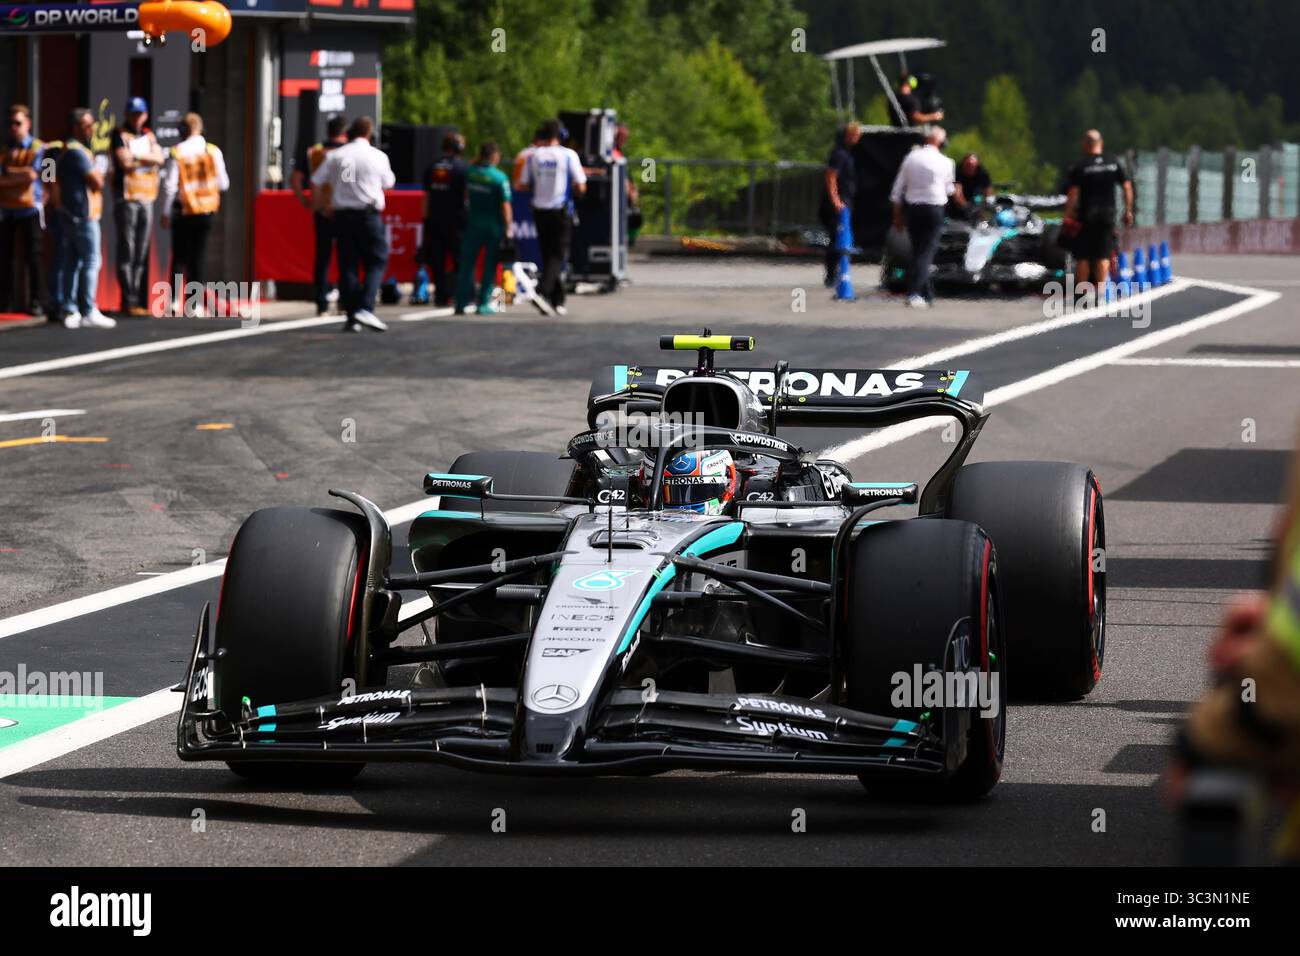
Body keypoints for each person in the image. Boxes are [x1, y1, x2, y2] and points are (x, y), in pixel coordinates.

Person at [311, 115, 394, 332]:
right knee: (377, 260)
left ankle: (351, 316)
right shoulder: (378, 156)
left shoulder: (336, 155)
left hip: (342, 215)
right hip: (367, 214)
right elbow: (389, 183)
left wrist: (321, 206)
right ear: (369, 134)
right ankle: (365, 307)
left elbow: (316, 181)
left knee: (348, 265)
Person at [159, 112, 229, 317]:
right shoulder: (213, 151)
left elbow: (170, 186)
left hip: (183, 209)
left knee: (179, 256)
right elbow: (224, 183)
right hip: (205, 209)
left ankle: (173, 301)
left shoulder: (177, 151)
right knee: (198, 256)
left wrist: (165, 211)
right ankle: (195, 304)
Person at [520, 119, 586, 315]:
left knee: (548, 255)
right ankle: (542, 291)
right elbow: (582, 185)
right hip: (560, 210)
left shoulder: (532, 156)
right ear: (561, 135)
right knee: (558, 256)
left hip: (540, 210)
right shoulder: (568, 155)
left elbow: (522, 185)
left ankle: (557, 299)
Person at [56, 107, 114, 329]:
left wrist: (54, 199)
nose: (92, 129)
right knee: (90, 260)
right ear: (76, 127)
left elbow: (46, 175)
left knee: (71, 261)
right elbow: (96, 183)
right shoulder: (77, 152)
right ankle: (87, 308)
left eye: (93, 125)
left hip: (67, 212)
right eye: (87, 125)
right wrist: (102, 171)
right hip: (81, 213)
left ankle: (69, 308)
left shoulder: (61, 149)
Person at [889, 126, 959, 309]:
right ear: (940, 142)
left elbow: (898, 189)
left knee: (918, 250)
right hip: (934, 207)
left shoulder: (911, 157)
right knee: (926, 252)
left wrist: (897, 215)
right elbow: (949, 190)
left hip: (913, 208)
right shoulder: (946, 162)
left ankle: (927, 293)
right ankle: (913, 293)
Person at [110, 97, 164, 317]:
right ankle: (128, 299)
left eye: (139, 113)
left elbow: (159, 158)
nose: (136, 117)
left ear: (145, 115)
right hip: (127, 197)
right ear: (126, 114)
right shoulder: (119, 134)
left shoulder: (149, 135)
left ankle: (137, 299)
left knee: (141, 251)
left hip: (147, 197)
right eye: (132, 113)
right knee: (127, 249)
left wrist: (138, 156)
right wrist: (146, 158)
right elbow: (124, 162)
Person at [290, 114, 348, 315]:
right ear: (344, 132)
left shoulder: (314, 152)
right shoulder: (347, 152)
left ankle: (321, 304)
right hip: (343, 209)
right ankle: (344, 302)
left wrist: (305, 201)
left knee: (322, 257)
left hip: (321, 209)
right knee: (345, 256)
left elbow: (295, 179)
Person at [1063, 129, 1134, 292]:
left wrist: (1067, 215)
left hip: (1086, 215)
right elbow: (1127, 186)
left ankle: (1083, 293)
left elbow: (1073, 193)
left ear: (1086, 145)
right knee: (1103, 254)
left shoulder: (1081, 166)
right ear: (1101, 143)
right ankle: (1101, 293)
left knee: (1084, 256)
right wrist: (1128, 210)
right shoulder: (1113, 162)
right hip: (1107, 215)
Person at [454, 141, 512, 316]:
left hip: (473, 224)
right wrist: (509, 228)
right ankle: (484, 303)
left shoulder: (470, 173)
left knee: (466, 265)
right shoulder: (499, 178)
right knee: (490, 266)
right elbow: (505, 206)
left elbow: (464, 197)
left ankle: (461, 302)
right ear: (494, 156)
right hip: (493, 226)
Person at [0, 104, 46, 316]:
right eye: (10, 124)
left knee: (34, 257)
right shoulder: (4, 149)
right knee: (5, 257)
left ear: (27, 123)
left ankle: (37, 301)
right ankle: (5, 301)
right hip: (8, 210)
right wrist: (21, 175)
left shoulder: (39, 148)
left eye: (17, 123)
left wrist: (11, 174)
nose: (13, 127)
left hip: (31, 209)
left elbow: (39, 176)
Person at [420, 131, 468, 307]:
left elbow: (426, 197)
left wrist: (425, 220)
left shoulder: (431, 167)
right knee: (460, 259)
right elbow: (466, 196)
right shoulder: (463, 168)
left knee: (437, 261)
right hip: (456, 220)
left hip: (434, 220)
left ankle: (441, 295)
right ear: (459, 148)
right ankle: (458, 293)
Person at [819, 121, 860, 286]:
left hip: (846, 199)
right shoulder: (839, 154)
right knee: (836, 237)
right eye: (855, 135)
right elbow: (831, 176)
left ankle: (837, 271)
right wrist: (836, 200)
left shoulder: (848, 154)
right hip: (839, 201)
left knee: (841, 237)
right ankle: (831, 274)